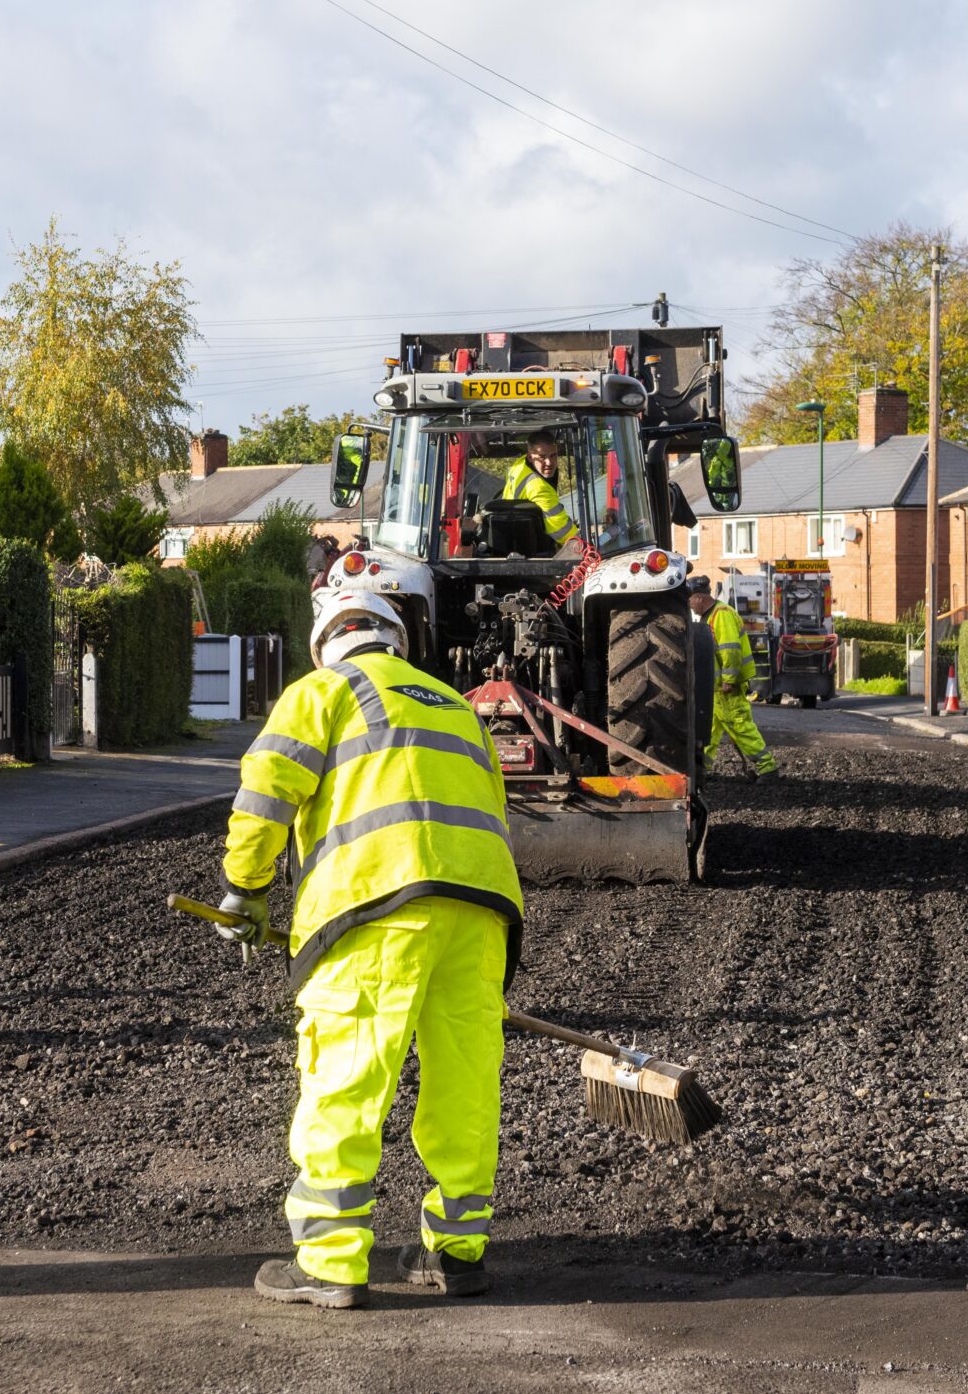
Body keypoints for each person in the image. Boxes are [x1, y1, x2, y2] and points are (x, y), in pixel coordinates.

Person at [217, 582, 524, 1310]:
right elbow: (492, 809)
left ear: (328, 640)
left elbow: (267, 790)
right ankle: (458, 1252)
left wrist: (244, 887)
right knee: (464, 1082)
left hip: (376, 910)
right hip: (481, 911)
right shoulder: (457, 706)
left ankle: (329, 1261)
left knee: (348, 1074)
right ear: (397, 639)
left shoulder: (323, 690)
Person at [688, 575, 777, 778]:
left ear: (700, 598)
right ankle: (701, 769)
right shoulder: (710, 616)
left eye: (690, 600)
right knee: (709, 729)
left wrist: (729, 679)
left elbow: (731, 650)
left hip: (727, 687)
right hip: (716, 688)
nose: (690, 606)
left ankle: (767, 767)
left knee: (740, 726)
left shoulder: (721, 615)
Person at [501, 431, 581, 555]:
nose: (549, 463)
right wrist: (585, 546)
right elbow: (562, 531)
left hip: (512, 537)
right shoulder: (540, 488)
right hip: (533, 550)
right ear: (530, 457)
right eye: (542, 457)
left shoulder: (520, 465)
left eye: (553, 455)